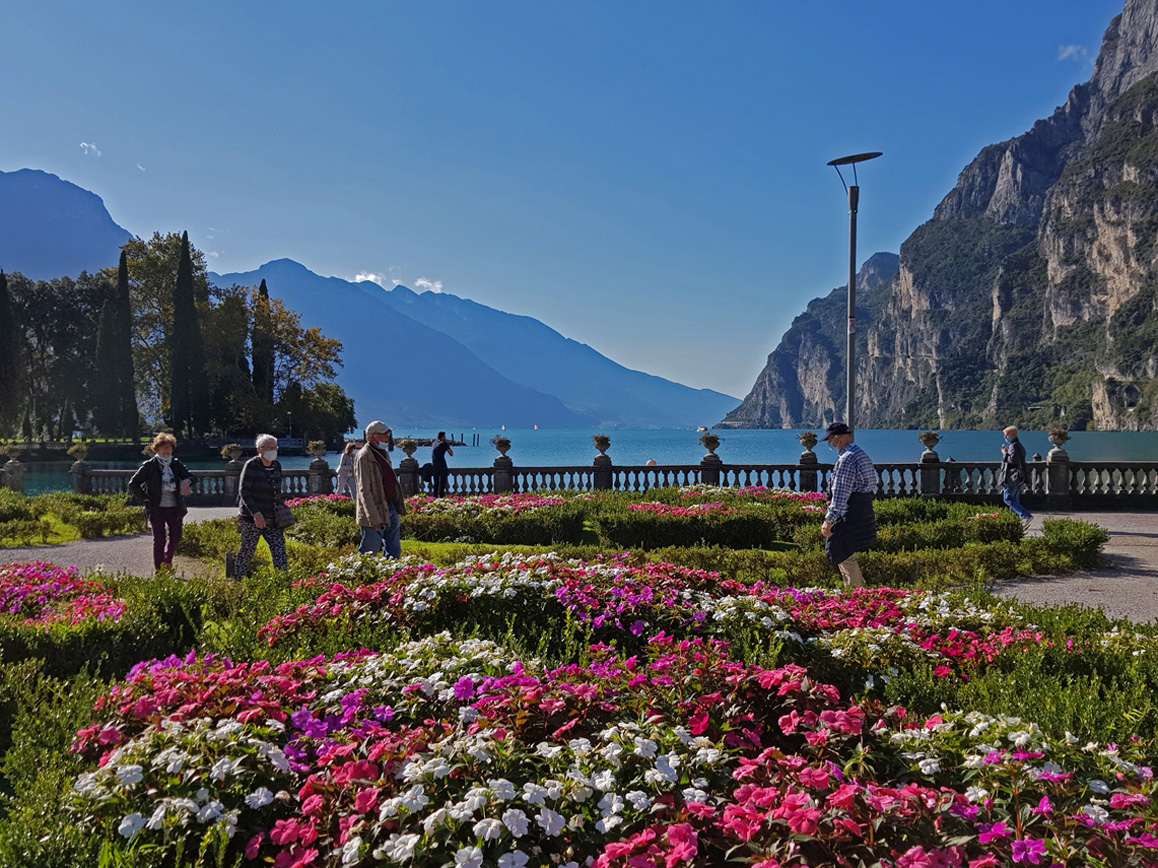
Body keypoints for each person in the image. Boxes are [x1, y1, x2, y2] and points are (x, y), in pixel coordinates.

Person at [819, 422, 877, 589]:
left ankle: (855, 594)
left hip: (850, 513)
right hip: (863, 510)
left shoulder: (846, 459)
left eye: (830, 440)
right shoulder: (860, 454)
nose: (830, 444)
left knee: (841, 551)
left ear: (837, 439)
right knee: (848, 553)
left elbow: (840, 493)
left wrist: (829, 520)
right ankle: (862, 591)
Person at [129, 432, 194, 572]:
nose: (167, 450)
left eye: (169, 447)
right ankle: (159, 571)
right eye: (164, 447)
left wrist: (186, 481)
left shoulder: (176, 464)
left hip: (175, 507)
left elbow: (191, 477)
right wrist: (145, 499)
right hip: (156, 508)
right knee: (159, 540)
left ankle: (167, 560)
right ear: (157, 449)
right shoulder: (149, 466)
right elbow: (133, 484)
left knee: (176, 536)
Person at [234, 433, 289, 579]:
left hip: (273, 518)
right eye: (268, 447)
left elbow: (277, 491)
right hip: (252, 518)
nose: (272, 450)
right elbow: (244, 491)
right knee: (247, 550)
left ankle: (282, 580)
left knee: (279, 550)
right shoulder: (251, 465)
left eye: (274, 447)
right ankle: (237, 579)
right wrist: (255, 513)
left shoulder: (276, 466)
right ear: (259, 449)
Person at [355, 420, 404, 558]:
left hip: (389, 507)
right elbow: (364, 489)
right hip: (375, 510)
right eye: (384, 434)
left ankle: (393, 570)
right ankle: (358, 571)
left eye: (388, 433)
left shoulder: (383, 453)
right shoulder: (364, 456)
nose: (387, 437)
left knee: (394, 551)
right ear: (372, 436)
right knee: (369, 551)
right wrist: (373, 518)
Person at [998, 425, 1033, 530]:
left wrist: (1005, 454)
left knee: (1007, 498)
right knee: (1015, 500)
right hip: (1019, 476)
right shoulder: (1018, 445)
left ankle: (1026, 515)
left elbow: (1012, 461)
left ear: (1011, 435)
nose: (1005, 437)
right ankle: (1013, 522)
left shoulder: (1013, 446)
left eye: (1006, 435)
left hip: (1012, 477)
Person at [431, 431, 454, 497]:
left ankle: (435, 496)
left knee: (436, 483)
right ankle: (441, 496)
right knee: (442, 482)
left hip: (434, 464)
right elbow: (451, 453)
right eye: (445, 436)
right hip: (442, 465)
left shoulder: (434, 443)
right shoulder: (444, 444)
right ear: (443, 437)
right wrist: (447, 444)